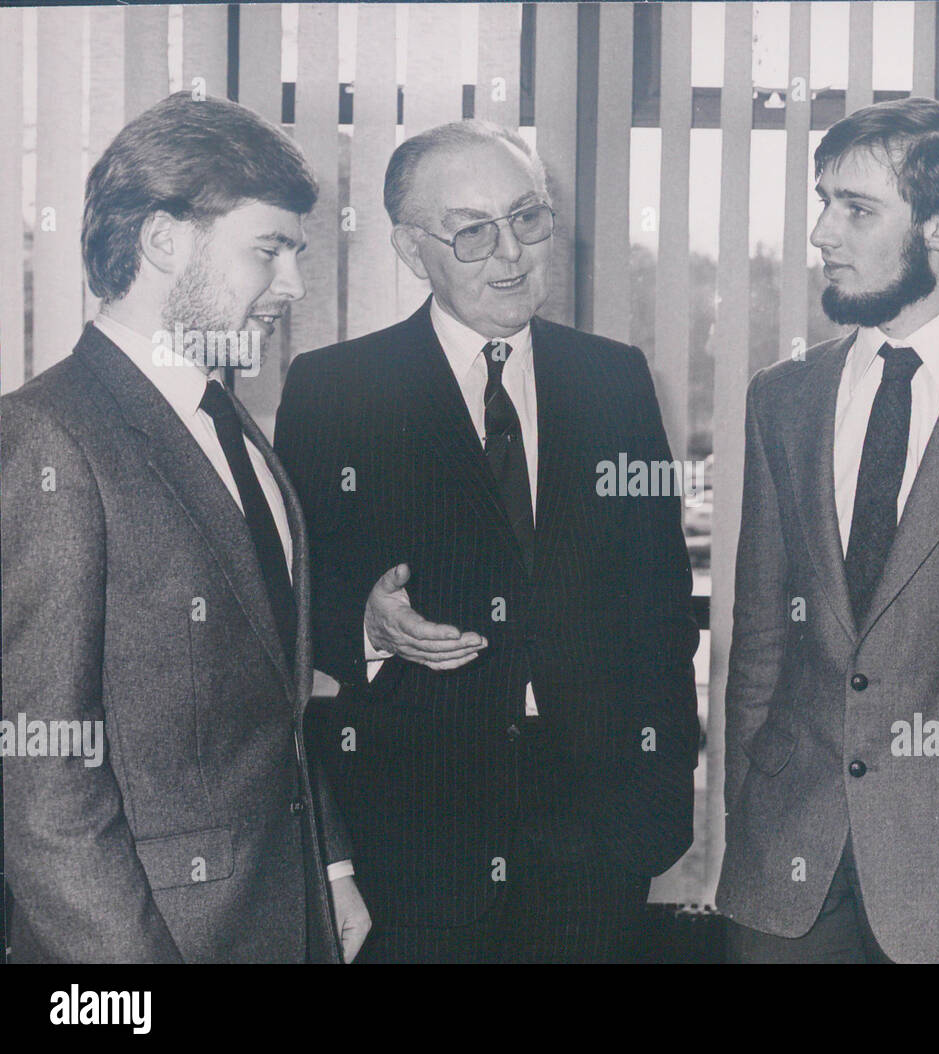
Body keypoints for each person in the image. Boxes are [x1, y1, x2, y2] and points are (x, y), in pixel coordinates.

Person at [273, 119, 699, 963]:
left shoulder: (616, 378)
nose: (510, 253)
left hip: (596, 836)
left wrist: (660, 787)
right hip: (415, 834)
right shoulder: (334, 391)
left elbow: (661, 598)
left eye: (527, 218)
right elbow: (285, 604)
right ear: (408, 247)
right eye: (472, 231)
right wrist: (366, 624)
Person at [2, 92, 368, 962]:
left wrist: (334, 865)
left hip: (284, 916)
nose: (296, 286)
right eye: (268, 250)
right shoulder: (49, 435)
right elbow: (39, 776)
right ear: (164, 240)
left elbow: (267, 696)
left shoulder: (233, 426)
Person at [715, 97, 939, 962]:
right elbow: (762, 638)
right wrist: (748, 821)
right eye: (822, 202)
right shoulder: (783, 398)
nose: (821, 234)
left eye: (856, 209)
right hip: (783, 879)